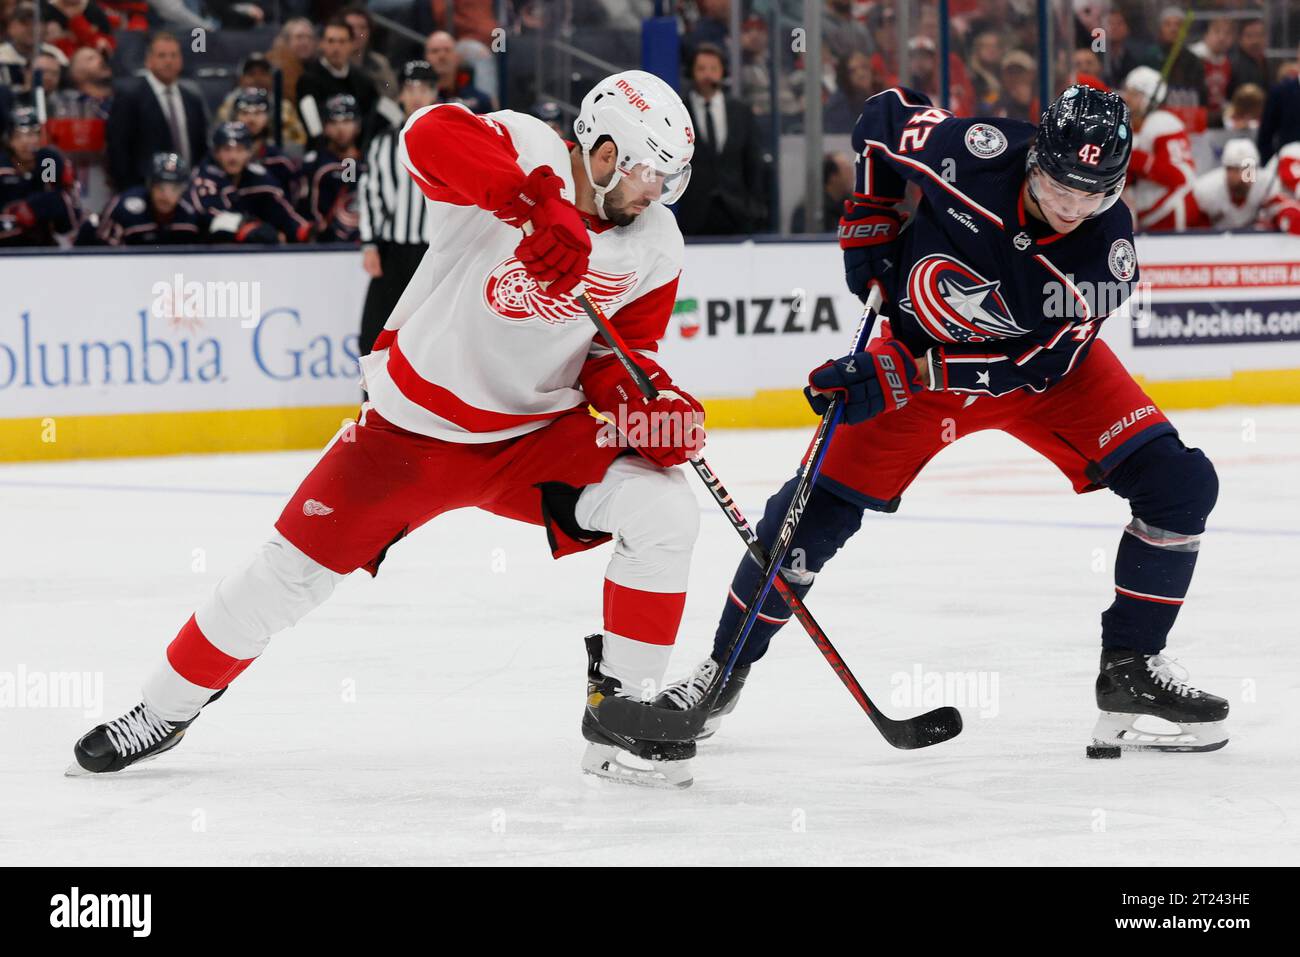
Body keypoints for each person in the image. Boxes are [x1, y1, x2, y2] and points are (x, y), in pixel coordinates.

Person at [71, 70, 709, 789]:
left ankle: (622, 715)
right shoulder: (527, 147)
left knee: (665, 506)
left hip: (534, 437)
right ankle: (162, 708)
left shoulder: (658, 242)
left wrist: (649, 405)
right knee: (286, 574)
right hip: (412, 431)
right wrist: (535, 204)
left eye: (669, 180)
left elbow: (618, 358)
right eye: (649, 173)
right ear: (600, 150)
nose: (656, 192)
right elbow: (426, 134)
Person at [658, 85, 1230, 756]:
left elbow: (1033, 367)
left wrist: (909, 375)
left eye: (1093, 195)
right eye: (1057, 186)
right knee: (808, 514)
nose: (1072, 208)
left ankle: (1131, 668)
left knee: (1181, 485)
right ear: (1033, 160)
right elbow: (879, 117)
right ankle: (719, 671)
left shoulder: (1106, 255)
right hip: (913, 354)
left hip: (1038, 379)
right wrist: (870, 214)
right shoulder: (971, 153)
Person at [358, 60, 439, 356]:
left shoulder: (450, 142)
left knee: (431, 336)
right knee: (373, 335)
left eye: (424, 88)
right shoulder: (384, 142)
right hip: (393, 251)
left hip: (435, 253)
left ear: (435, 94)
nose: (417, 95)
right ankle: (372, 400)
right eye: (410, 88)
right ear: (401, 95)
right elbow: (371, 192)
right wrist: (370, 244)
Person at [675, 42, 769, 235]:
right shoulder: (679, 111)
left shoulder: (740, 111)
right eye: (701, 68)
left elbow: (752, 161)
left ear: (722, 72)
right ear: (691, 72)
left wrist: (754, 206)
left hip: (736, 211)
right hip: (692, 213)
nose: (707, 75)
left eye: (713, 68)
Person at [104, 31, 207, 189]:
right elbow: (118, 148)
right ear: (148, 61)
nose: (168, 61)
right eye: (162, 55)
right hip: (146, 188)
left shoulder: (192, 98)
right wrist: (130, 189)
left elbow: (201, 146)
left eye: (174, 55)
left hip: (188, 186)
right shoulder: (130, 97)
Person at [187, 120, 311, 244]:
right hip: (207, 252)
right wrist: (251, 228)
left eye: (239, 150)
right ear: (217, 152)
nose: (233, 157)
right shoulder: (205, 176)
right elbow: (216, 219)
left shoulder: (258, 176)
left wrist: (303, 231)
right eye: (227, 149)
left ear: (249, 152)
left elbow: (283, 213)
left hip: (250, 252)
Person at [1120, 66, 1196, 231]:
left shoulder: (1163, 123)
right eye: (1127, 92)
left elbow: (1180, 177)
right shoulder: (1130, 125)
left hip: (1167, 212)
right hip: (1142, 216)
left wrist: (1133, 159)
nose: (1127, 98)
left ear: (1148, 98)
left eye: (1134, 94)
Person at [78, 150, 203, 244]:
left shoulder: (192, 213)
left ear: (183, 190)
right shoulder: (124, 210)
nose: (166, 195)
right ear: (150, 186)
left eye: (174, 189)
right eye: (160, 187)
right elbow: (103, 258)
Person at [0, 104, 81, 245]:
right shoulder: (3, 167)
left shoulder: (47, 161)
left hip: (45, 242)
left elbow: (55, 199)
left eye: (32, 134)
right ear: (10, 140)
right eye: (19, 136)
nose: (26, 142)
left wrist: (33, 207)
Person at [1188, 138, 1300, 234]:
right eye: (1235, 170)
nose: (1242, 176)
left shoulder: (1266, 184)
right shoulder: (1205, 190)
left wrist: (1288, 217)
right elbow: (1195, 230)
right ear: (1226, 170)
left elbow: (1282, 209)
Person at [296, 15, 378, 146]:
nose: (336, 48)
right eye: (331, 41)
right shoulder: (308, 80)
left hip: (360, 153)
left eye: (342, 41)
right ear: (321, 43)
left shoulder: (363, 81)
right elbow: (313, 128)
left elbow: (373, 118)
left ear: (351, 44)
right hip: (322, 154)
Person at [299, 92, 363, 242]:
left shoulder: (371, 161)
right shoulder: (313, 164)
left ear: (358, 125)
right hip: (325, 247)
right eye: (333, 122)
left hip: (365, 247)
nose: (340, 128)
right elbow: (307, 211)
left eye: (347, 121)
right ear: (325, 127)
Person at [231, 86, 300, 198]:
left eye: (258, 113)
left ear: (268, 117)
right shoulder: (224, 159)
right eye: (244, 113)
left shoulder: (280, 161)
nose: (251, 119)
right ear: (235, 116)